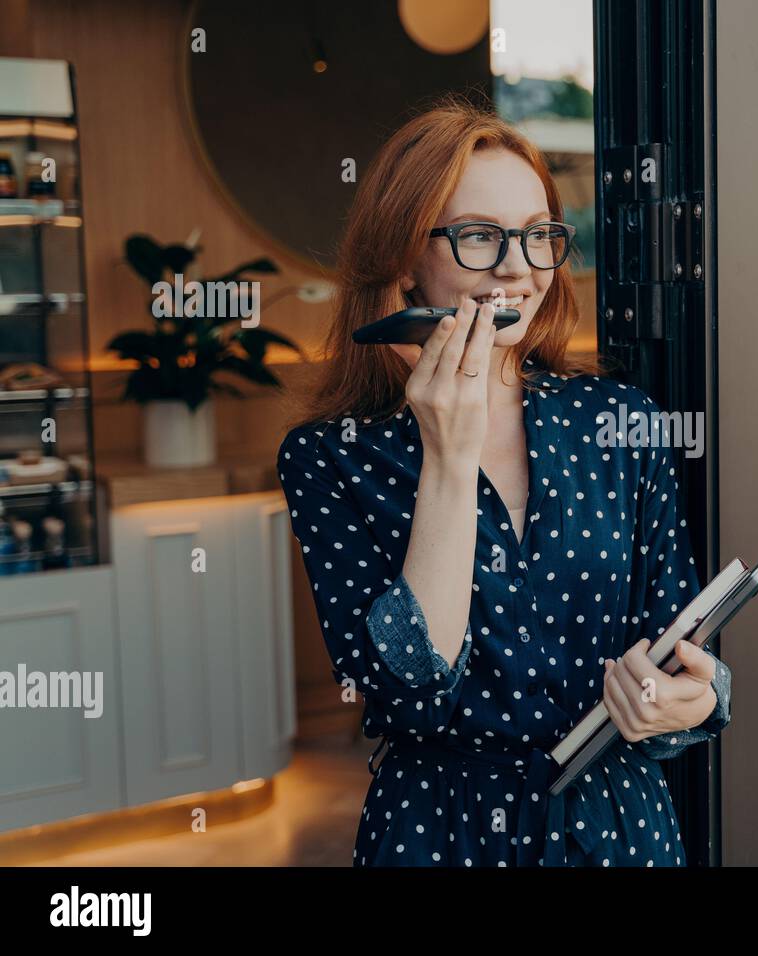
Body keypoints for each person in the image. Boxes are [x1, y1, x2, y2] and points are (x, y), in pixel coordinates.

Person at [275, 96, 731, 867]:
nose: (518, 267)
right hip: (440, 833)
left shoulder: (621, 421)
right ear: (403, 259)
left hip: (618, 825)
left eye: (537, 236)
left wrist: (698, 698)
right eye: (481, 236)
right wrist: (449, 460)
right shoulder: (330, 456)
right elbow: (411, 693)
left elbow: (679, 645)